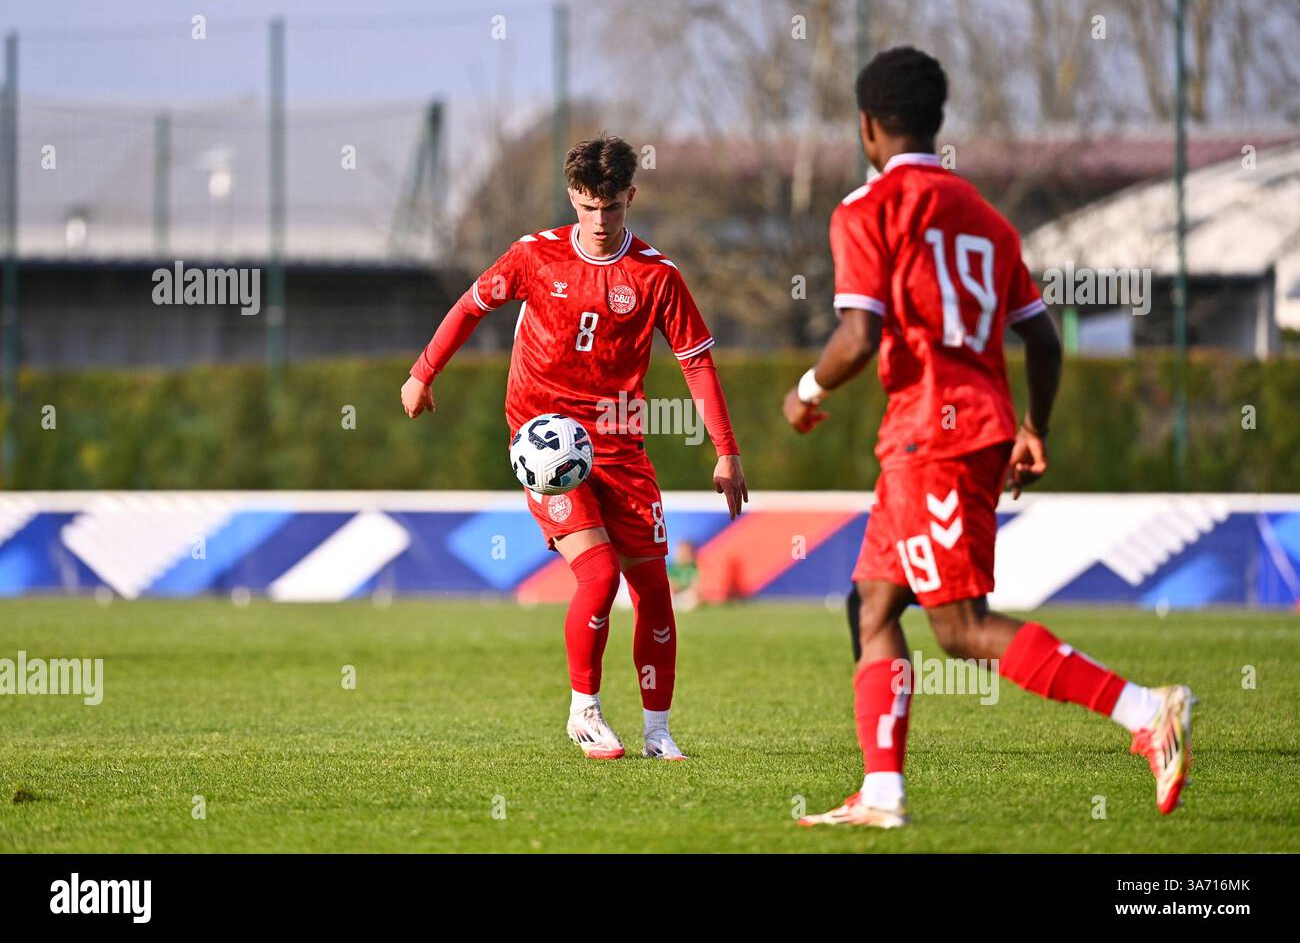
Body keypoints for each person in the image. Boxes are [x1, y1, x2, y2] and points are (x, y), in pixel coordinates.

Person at [784, 47, 1194, 827]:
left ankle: (1146, 709)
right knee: (872, 605)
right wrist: (1033, 425)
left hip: (932, 440)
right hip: (961, 432)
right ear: (936, 124)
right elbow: (1042, 338)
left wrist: (803, 392)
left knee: (961, 627)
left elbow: (858, 335)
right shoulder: (987, 218)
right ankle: (882, 793)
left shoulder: (866, 210)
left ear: (866, 127)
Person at [402, 134, 747, 761]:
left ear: (629, 199)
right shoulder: (534, 256)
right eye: (586, 207)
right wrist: (424, 371)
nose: (596, 221)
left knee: (655, 594)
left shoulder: (657, 276)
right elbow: (472, 304)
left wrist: (726, 452)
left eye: (609, 208)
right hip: (547, 445)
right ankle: (583, 712)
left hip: (619, 445)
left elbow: (697, 363)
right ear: (572, 197)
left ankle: (658, 732)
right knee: (599, 572)